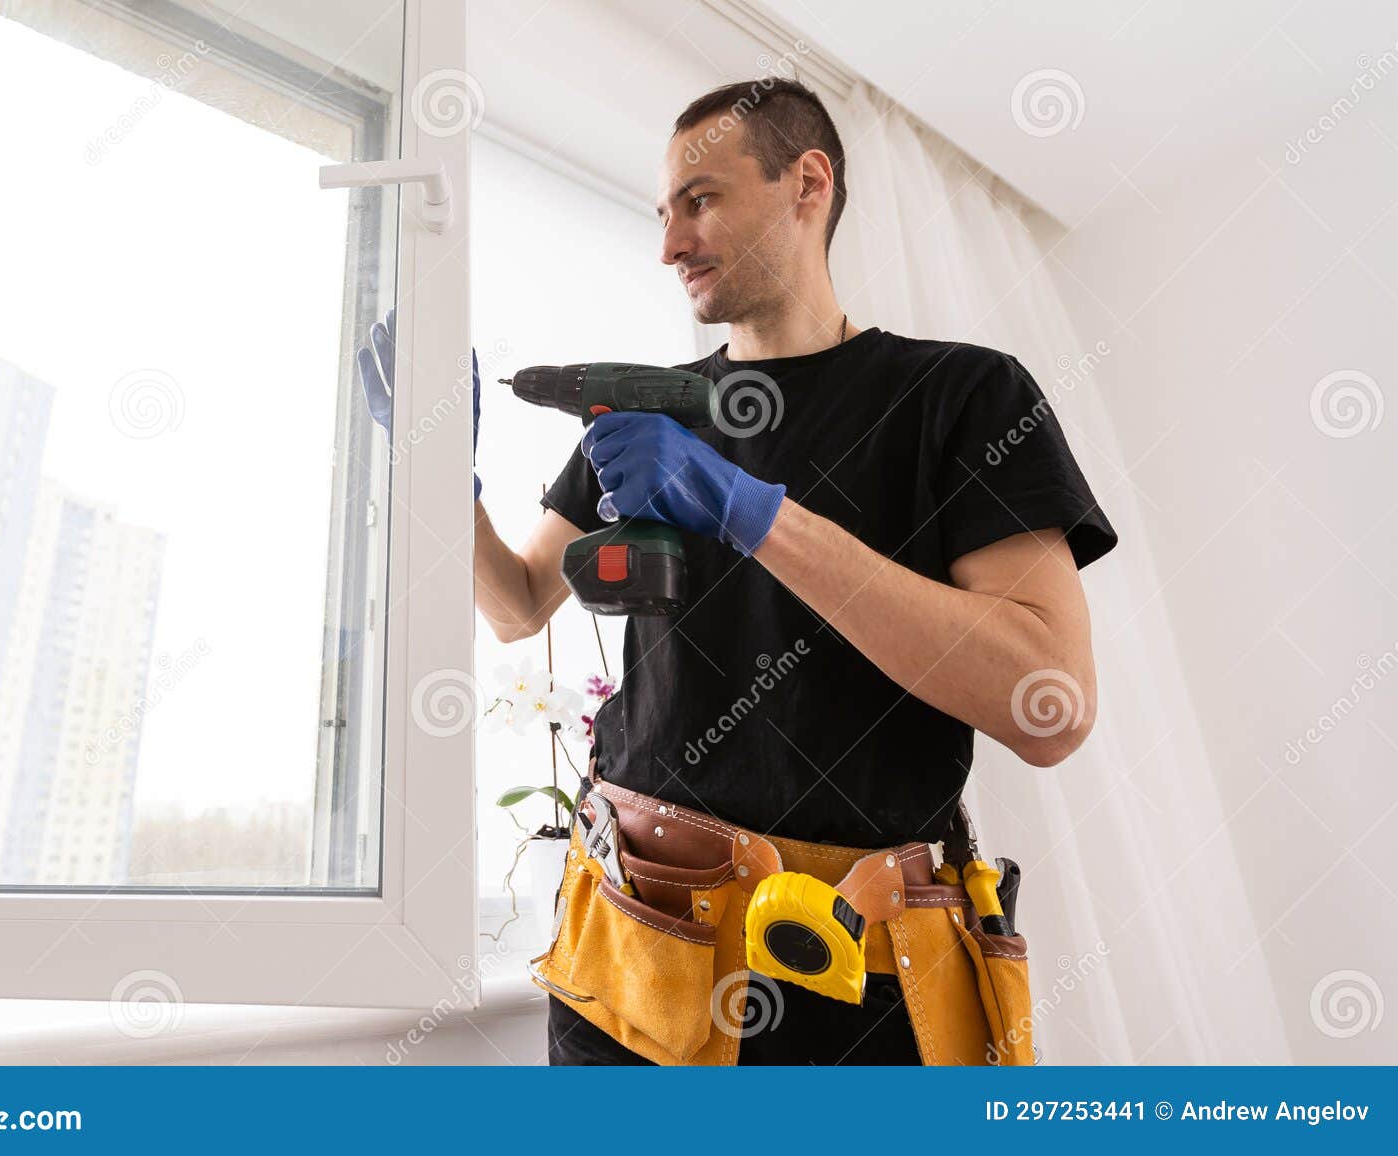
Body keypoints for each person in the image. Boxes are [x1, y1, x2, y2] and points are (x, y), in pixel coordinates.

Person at [360, 77, 1117, 1066]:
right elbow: (514, 604)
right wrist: (434, 469)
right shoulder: (641, 420)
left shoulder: (959, 395)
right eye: (663, 214)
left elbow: (1047, 705)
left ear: (807, 184)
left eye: (700, 200)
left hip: (851, 986)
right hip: (631, 947)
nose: (669, 243)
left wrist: (749, 512)